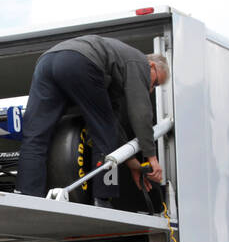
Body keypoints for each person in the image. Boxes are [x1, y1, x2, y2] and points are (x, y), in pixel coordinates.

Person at [15, 35, 168, 207]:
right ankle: (103, 199)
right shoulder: (139, 62)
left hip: (46, 61)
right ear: (152, 66)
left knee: (35, 134)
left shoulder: (115, 76)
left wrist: (132, 163)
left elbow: (114, 126)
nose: (151, 90)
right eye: (155, 83)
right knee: (104, 134)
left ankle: (28, 195)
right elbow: (141, 113)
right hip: (79, 60)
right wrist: (151, 157)